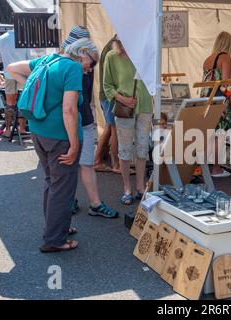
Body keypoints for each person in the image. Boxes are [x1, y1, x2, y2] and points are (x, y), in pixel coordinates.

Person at [8, 38, 99, 253]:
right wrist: (75, 144)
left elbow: (12, 69)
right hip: (60, 136)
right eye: (92, 62)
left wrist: (41, 90)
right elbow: (69, 110)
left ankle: (56, 228)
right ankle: (55, 239)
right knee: (62, 188)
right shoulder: (73, 68)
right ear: (83, 52)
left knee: (53, 183)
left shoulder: (47, 60)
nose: (90, 69)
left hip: (39, 131)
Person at [60, 26, 118, 219]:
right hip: (68, 121)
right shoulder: (65, 64)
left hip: (81, 119)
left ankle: (95, 203)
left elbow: (85, 95)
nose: (89, 66)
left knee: (84, 164)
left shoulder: (84, 65)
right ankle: (71, 200)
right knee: (68, 166)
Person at [103, 38, 153, 205]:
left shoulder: (144, 54)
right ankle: (127, 189)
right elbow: (107, 85)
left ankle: (140, 187)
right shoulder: (111, 57)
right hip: (125, 109)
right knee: (124, 150)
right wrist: (122, 98)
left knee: (142, 148)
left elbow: (153, 79)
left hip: (145, 106)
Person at [202, 31, 231, 178]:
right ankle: (216, 169)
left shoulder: (207, 59)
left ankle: (204, 168)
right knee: (220, 135)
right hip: (220, 101)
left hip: (207, 100)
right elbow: (225, 84)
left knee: (209, 135)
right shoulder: (225, 57)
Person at [0, 29, 31, 138]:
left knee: (9, 103)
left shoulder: (1, 38)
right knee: (23, 100)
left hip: (9, 73)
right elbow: (29, 58)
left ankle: (7, 129)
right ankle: (22, 128)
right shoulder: (24, 37)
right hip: (23, 73)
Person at [94, 34, 121, 174]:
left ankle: (98, 160)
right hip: (110, 95)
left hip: (107, 94)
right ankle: (115, 164)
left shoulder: (111, 44)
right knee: (113, 128)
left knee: (110, 128)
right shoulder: (113, 47)